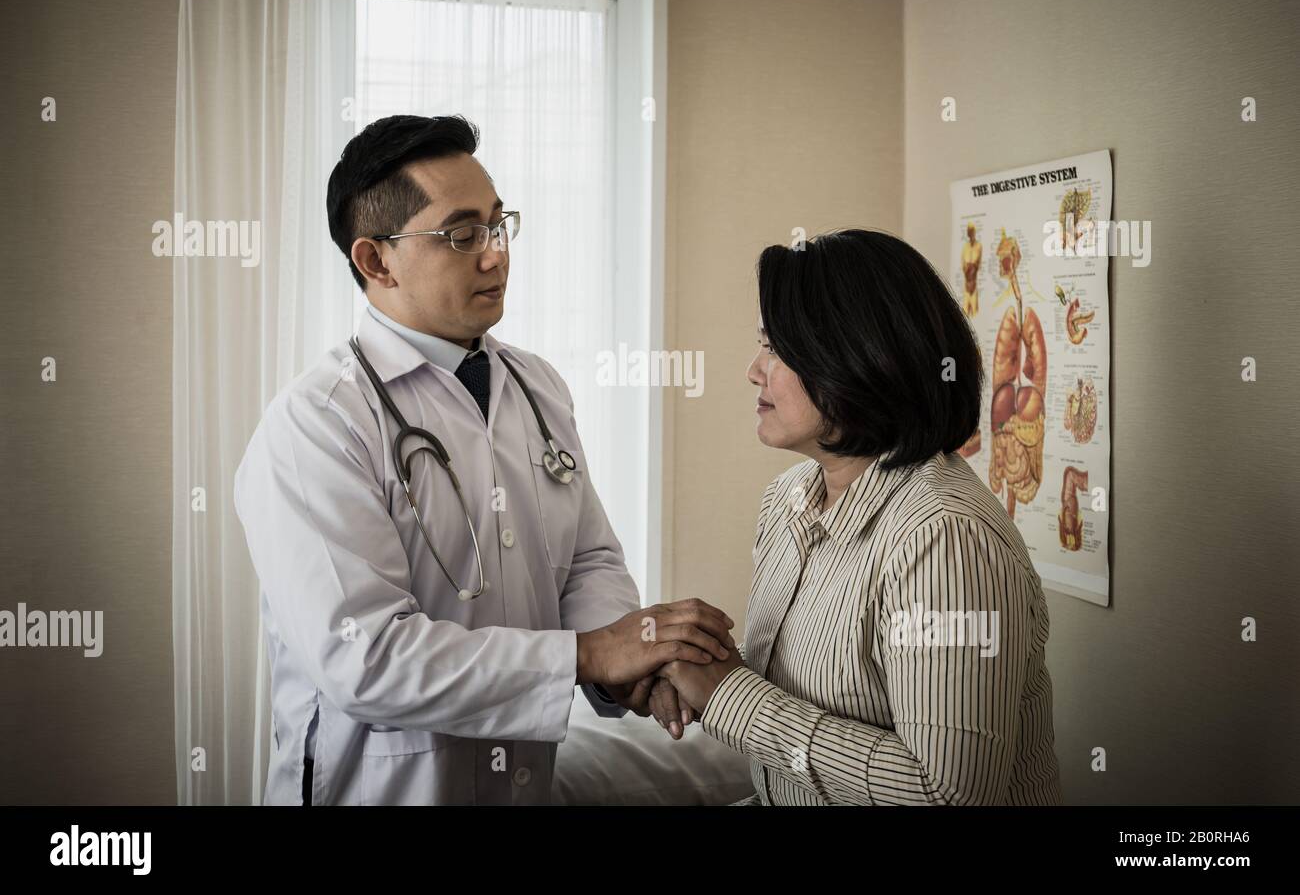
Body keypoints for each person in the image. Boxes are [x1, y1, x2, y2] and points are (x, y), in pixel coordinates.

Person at [234, 114, 735, 805]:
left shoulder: (537, 387)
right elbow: (366, 658)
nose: (496, 255)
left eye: (500, 227)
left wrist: (630, 665)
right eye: (462, 235)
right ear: (376, 261)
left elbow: (587, 559)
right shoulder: (318, 425)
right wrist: (587, 655)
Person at [648, 229, 1063, 805]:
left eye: (775, 348)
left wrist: (730, 697)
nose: (752, 370)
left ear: (858, 359)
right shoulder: (789, 498)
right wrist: (695, 666)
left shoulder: (942, 538)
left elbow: (946, 794)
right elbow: (805, 713)